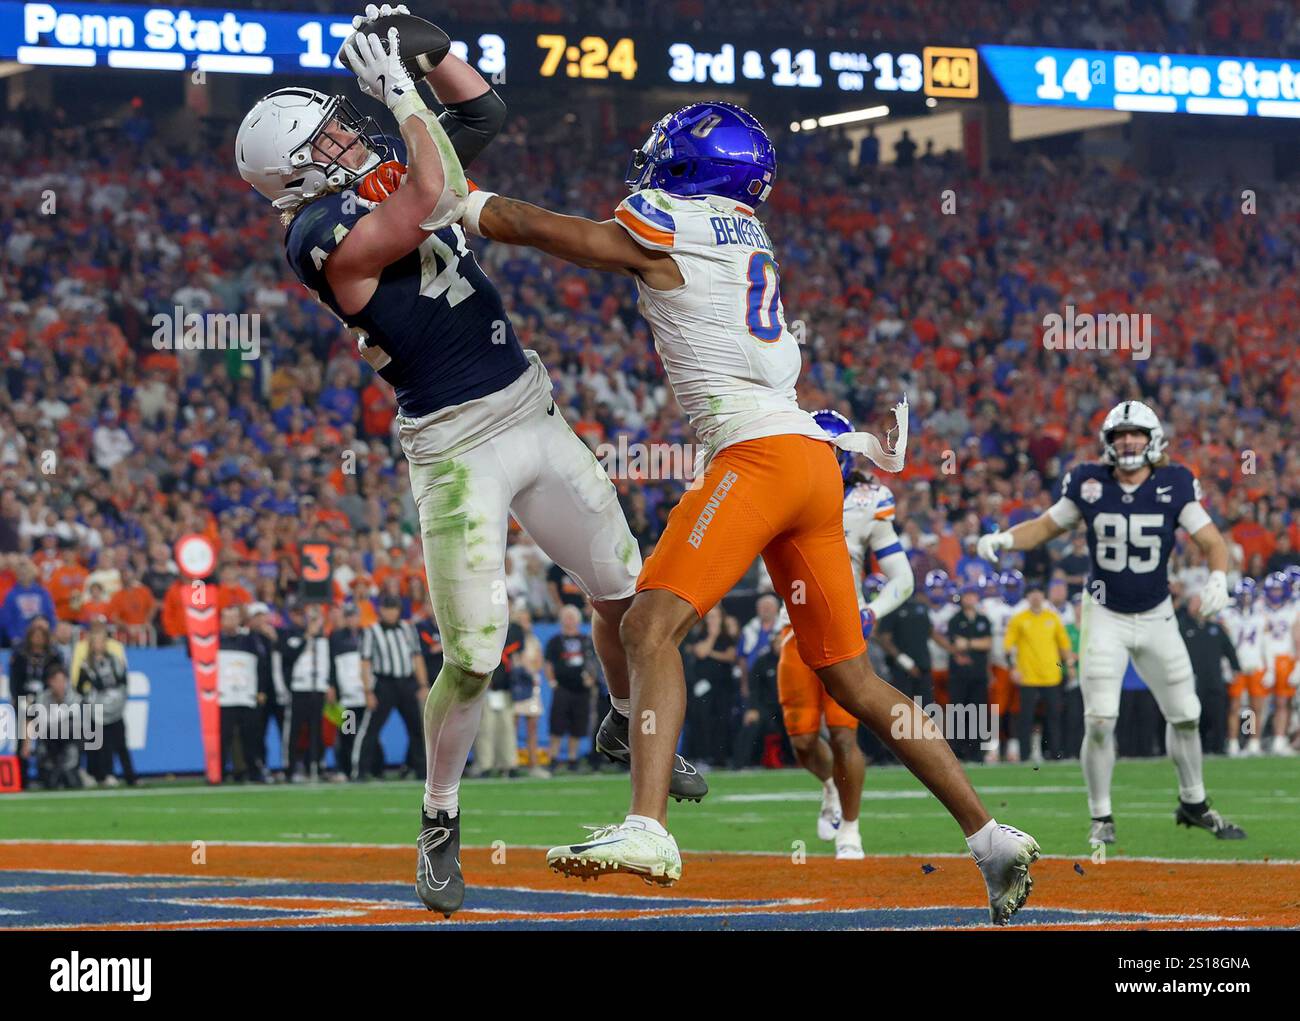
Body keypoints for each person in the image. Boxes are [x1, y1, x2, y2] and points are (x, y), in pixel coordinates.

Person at [465, 99, 1039, 922]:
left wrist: (458, 202)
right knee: (856, 676)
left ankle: (649, 826)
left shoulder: (677, 219)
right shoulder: (744, 233)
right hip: (809, 462)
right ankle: (990, 837)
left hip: (760, 455)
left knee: (645, 625)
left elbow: (556, 232)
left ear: (696, 166)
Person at [235, 2, 703, 917]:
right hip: (456, 446)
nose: (348, 138)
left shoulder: (369, 179)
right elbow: (424, 198)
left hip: (532, 409)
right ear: (292, 176)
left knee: (627, 594)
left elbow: (481, 116)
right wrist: (402, 90)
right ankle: (440, 821)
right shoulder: (314, 236)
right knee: (477, 656)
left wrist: (432, 48)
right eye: (327, 139)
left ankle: (621, 717)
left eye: (344, 124)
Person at [978, 400, 1245, 843]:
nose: (1127, 441)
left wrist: (1219, 575)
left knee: (1187, 715)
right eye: (1120, 434)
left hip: (1158, 614)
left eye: (1135, 433)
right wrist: (1005, 538)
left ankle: (1194, 802)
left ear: (1152, 438)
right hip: (1103, 613)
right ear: (1108, 441)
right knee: (1100, 718)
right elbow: (1046, 526)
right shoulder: (1088, 482)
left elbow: (1211, 540)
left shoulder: (1174, 482)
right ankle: (1101, 815)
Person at [774, 410, 915, 860]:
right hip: (792, 625)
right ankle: (831, 784)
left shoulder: (868, 501)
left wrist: (872, 610)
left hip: (841, 627)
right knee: (799, 740)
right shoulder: (780, 492)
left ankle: (850, 829)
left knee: (844, 736)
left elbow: (902, 578)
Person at [356, 593, 427, 780]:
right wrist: (368, 691)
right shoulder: (371, 631)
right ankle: (362, 771)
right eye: (387, 608)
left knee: (417, 729)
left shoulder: (408, 629)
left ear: (398, 610)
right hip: (384, 684)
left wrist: (423, 684)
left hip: (407, 682)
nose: (390, 613)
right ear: (381, 610)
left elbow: (417, 657)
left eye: (394, 608)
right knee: (372, 729)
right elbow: (365, 663)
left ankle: (421, 770)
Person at [1004, 585, 1073, 762]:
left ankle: (1054, 752)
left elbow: (1063, 644)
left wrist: (1070, 665)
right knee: (1025, 718)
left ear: (1043, 596)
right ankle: (1025, 754)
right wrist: (1013, 668)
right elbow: (1009, 646)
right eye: (1032, 594)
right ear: (1027, 597)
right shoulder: (1019, 619)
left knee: (1053, 717)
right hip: (1027, 676)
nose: (1036, 597)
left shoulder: (1053, 618)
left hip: (1051, 675)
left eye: (1039, 593)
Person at [73, 618, 135, 787]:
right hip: (97, 710)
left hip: (115, 707)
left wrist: (117, 697)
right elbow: (79, 687)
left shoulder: (114, 660)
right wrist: (91, 696)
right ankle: (104, 774)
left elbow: (123, 679)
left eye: (101, 641)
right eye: (96, 642)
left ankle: (131, 776)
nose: (99, 645)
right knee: (101, 744)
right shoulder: (87, 666)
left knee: (121, 743)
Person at [1176, 593, 1239, 755]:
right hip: (1192, 679)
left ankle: (1218, 746)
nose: (1197, 607)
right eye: (1194, 603)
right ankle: (1197, 747)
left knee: (1218, 713)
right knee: (1195, 714)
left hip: (1214, 678)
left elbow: (1229, 649)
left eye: (1199, 603)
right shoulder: (1182, 627)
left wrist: (1236, 668)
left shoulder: (1215, 628)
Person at [544, 605, 596, 771]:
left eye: (572, 617)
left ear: (578, 620)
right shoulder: (554, 641)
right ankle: (554, 758)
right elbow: (548, 664)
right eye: (566, 617)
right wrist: (552, 682)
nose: (569, 621)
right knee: (557, 725)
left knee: (578, 725)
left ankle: (573, 759)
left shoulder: (586, 640)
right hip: (562, 688)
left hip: (581, 689)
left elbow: (595, 662)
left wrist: (592, 679)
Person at [217, 605, 265, 783]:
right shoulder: (215, 641)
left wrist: (260, 690)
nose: (230, 621)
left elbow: (262, 664)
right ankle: (219, 772)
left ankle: (252, 770)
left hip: (246, 695)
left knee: (250, 736)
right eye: (227, 617)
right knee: (224, 737)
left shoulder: (250, 640)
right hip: (224, 696)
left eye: (234, 617)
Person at [946, 583, 993, 762]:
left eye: (973, 595)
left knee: (979, 711)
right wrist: (975, 643)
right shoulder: (955, 620)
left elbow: (988, 644)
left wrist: (968, 643)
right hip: (959, 674)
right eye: (967, 595)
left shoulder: (983, 619)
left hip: (979, 673)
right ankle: (958, 750)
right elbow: (955, 644)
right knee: (958, 710)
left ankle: (977, 751)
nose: (970, 599)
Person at [1222, 577, 1267, 757]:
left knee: (1255, 707)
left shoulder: (1261, 616)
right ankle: (1233, 742)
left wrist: (1268, 666)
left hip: (1255, 664)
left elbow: (1265, 643)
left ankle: (1252, 741)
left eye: (1249, 595)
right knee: (1235, 706)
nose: (1246, 599)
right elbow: (1225, 644)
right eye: (1243, 595)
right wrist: (1226, 665)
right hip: (1237, 666)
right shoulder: (1228, 615)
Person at [1258, 571, 1298, 756]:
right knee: (1254, 705)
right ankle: (1250, 739)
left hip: (1283, 659)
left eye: (1278, 589)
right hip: (1261, 660)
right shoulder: (1258, 608)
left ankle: (1279, 739)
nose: (1275, 593)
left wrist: (1297, 663)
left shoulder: (1292, 610)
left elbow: (1297, 638)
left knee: (1283, 702)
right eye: (1272, 589)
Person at [328, 601, 367, 780]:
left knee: (366, 732)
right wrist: (332, 686)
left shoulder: (367, 635)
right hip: (347, 697)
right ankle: (344, 768)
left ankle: (367, 767)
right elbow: (332, 665)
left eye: (354, 615)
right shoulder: (336, 637)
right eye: (348, 616)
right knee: (347, 732)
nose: (352, 619)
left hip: (365, 694)